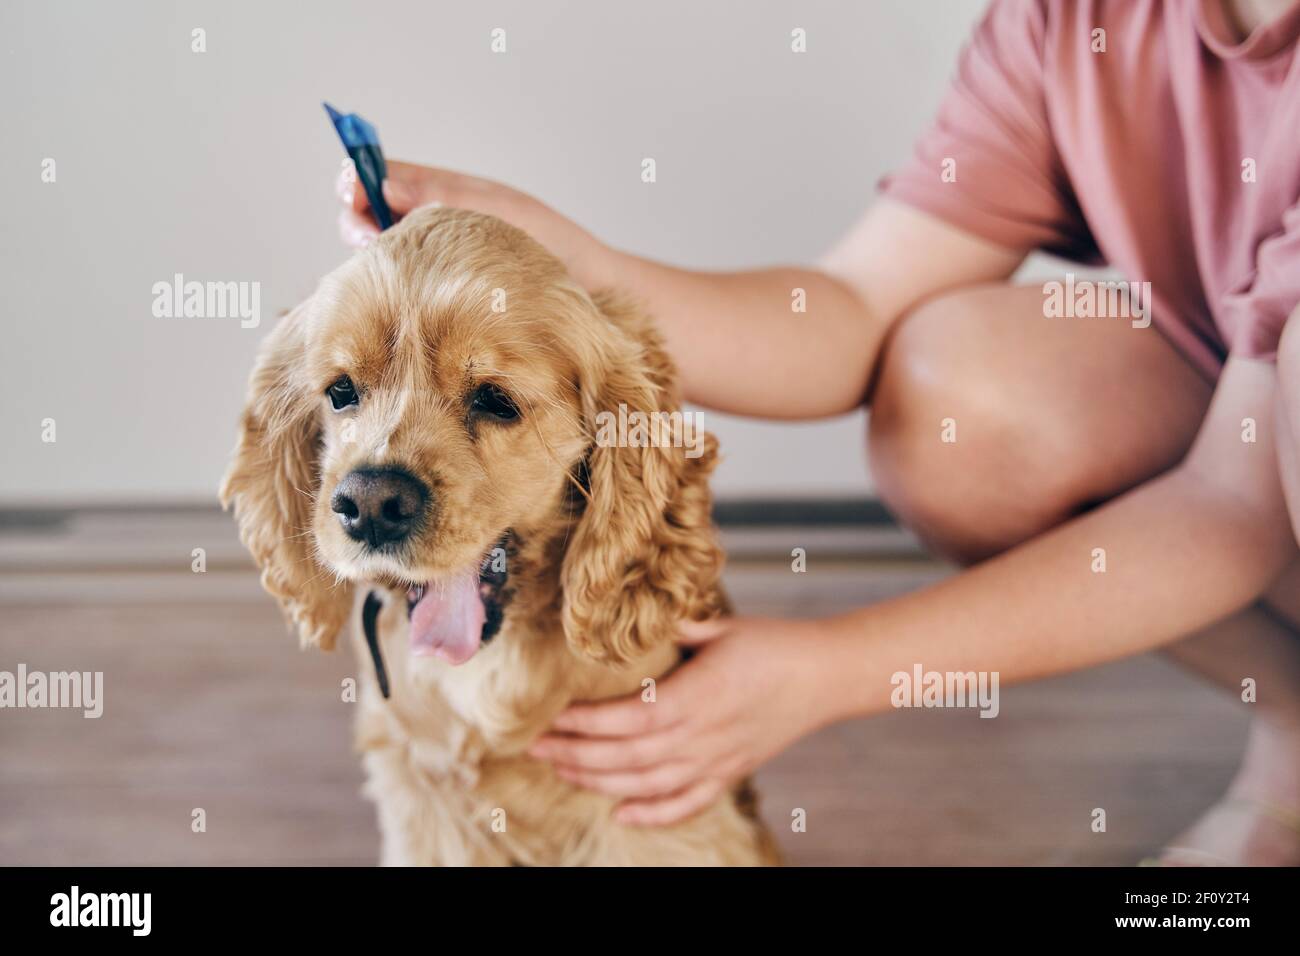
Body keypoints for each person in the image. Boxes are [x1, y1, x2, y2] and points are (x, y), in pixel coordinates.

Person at [336, 0, 1300, 864]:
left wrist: (826, 673)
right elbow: (852, 307)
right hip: (1249, 423)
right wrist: (582, 262)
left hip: (1262, 466)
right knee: (959, 396)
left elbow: (1235, 504)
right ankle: (1294, 731)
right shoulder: (1070, 23)